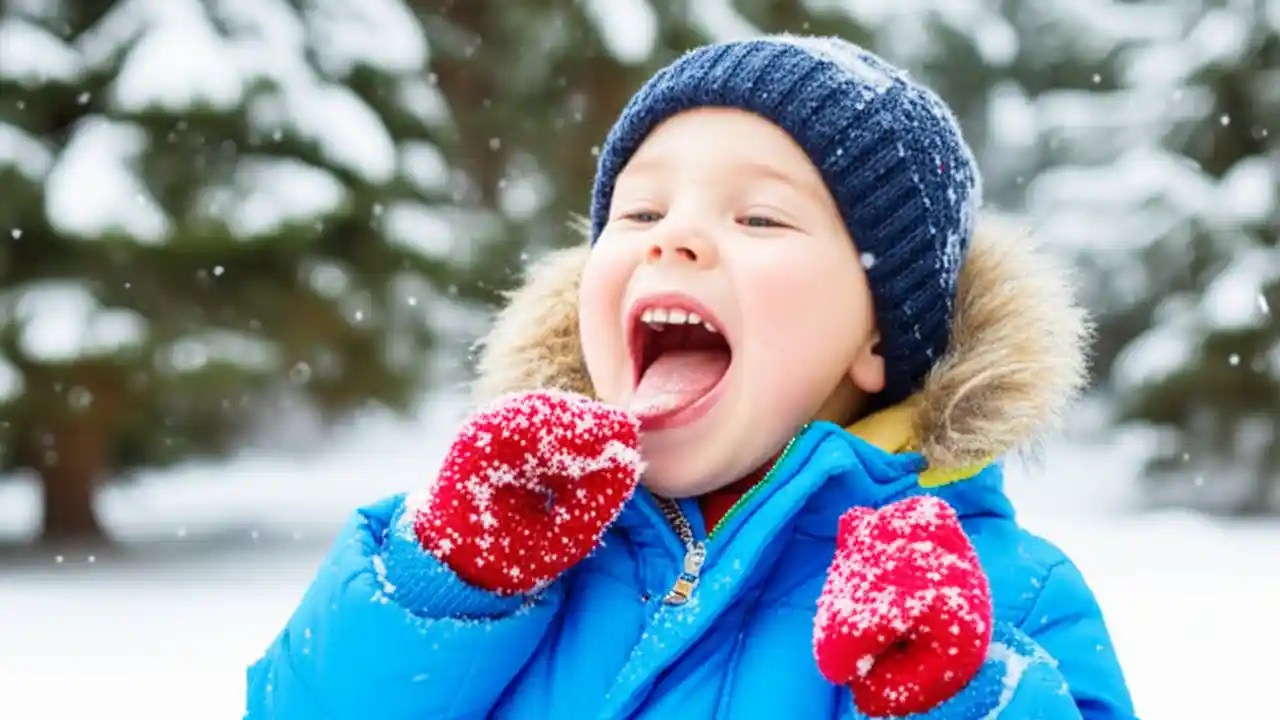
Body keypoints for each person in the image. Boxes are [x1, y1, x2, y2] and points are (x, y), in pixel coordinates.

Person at [245, 34, 1136, 719]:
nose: (673, 237)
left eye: (758, 217)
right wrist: (445, 586)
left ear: (879, 339)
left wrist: (955, 695)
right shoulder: (509, 552)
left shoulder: (999, 597)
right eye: (639, 210)